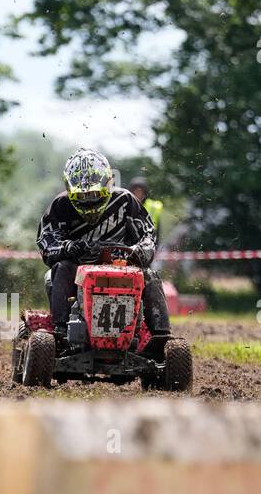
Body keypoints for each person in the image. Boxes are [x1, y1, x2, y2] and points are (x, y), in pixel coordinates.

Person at [36, 148, 171, 351]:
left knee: (150, 276)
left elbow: (148, 235)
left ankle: (161, 338)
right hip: (76, 273)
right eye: (83, 196)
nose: (89, 201)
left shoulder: (125, 201)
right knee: (61, 269)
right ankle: (61, 333)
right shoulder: (60, 205)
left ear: (107, 185)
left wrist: (137, 251)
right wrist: (69, 247)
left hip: (121, 266)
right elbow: (46, 242)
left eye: (95, 195)